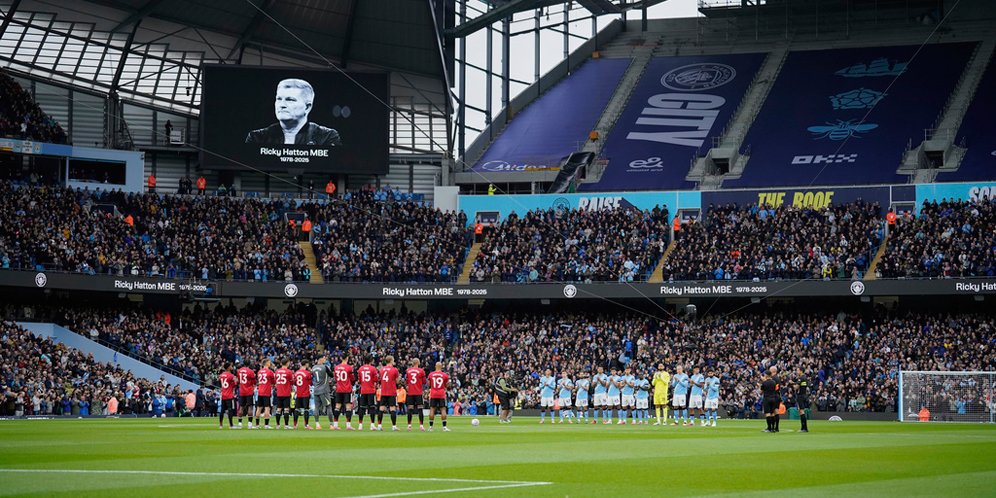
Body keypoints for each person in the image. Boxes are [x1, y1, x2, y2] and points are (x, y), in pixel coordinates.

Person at [245, 78, 342, 146]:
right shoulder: (257, 137)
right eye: (279, 99)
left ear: (307, 107)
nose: (282, 105)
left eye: (290, 100)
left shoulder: (327, 136)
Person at [333, 353, 355, 430]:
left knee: (337, 406)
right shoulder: (349, 368)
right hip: (347, 389)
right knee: (348, 407)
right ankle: (348, 425)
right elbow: (352, 379)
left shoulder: (336, 367)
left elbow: (335, 378)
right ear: (347, 358)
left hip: (339, 389)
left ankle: (335, 425)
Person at [378, 355, 401, 432]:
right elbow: (397, 381)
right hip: (391, 391)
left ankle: (379, 425)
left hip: (383, 391)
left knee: (381, 408)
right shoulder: (394, 370)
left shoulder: (381, 370)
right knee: (392, 409)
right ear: (391, 360)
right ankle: (394, 426)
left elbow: (380, 379)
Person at [356, 355, 378, 431]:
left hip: (363, 390)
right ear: (371, 360)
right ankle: (372, 425)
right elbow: (376, 379)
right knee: (372, 408)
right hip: (371, 390)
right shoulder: (373, 369)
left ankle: (360, 425)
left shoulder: (360, 369)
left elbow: (359, 381)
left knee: (361, 408)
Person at [427, 362, 450, 432]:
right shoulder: (444, 375)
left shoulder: (431, 375)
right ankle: (444, 427)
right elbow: (447, 385)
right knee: (443, 409)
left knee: (432, 409)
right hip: (441, 394)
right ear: (441, 367)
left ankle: (430, 427)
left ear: (435, 366)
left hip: (433, 393)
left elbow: (429, 385)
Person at [311, 355, 332, 430]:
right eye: (324, 358)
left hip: (316, 389)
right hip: (324, 390)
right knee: (329, 406)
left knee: (316, 407)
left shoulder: (313, 368)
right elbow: (332, 375)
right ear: (321, 359)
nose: (325, 359)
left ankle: (317, 424)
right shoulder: (325, 367)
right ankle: (331, 425)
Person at [405, 358, 427, 431]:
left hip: (410, 392)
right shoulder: (421, 371)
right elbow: (424, 382)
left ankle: (409, 425)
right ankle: (421, 425)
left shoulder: (408, 371)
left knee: (410, 409)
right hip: (418, 392)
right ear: (418, 362)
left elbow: (407, 381)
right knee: (420, 409)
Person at [254, 359, 275, 429]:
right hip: (266, 392)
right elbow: (273, 382)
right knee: (267, 408)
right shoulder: (270, 372)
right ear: (266, 363)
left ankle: (257, 425)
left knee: (259, 408)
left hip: (260, 391)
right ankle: (266, 425)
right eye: (269, 362)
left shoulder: (259, 372)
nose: (270, 363)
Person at [274, 360, 294, 429]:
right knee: (286, 409)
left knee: (278, 409)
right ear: (287, 363)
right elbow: (292, 382)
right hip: (286, 392)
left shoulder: (277, 371)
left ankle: (278, 425)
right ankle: (286, 425)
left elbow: (275, 381)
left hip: (279, 392)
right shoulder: (289, 371)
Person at [293, 361, 313, 429]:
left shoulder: (296, 373)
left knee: (297, 409)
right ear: (306, 364)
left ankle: (295, 425)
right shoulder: (307, 373)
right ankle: (306, 425)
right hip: (305, 393)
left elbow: (295, 383)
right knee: (306, 409)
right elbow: (310, 383)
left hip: (298, 393)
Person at [762, 366, 781, 433]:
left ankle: (771, 427)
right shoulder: (777, 378)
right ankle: (776, 427)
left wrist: (764, 381)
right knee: (775, 412)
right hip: (776, 395)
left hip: (773, 396)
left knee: (772, 412)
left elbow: (768, 387)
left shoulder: (772, 379)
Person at [236, 363, 256, 428]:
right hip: (249, 391)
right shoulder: (250, 371)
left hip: (242, 391)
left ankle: (240, 423)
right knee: (250, 407)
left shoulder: (239, 371)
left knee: (241, 407)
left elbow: (238, 380)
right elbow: (254, 382)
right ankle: (250, 424)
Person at [218, 364, 237, 429]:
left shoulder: (221, 375)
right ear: (228, 367)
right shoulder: (231, 376)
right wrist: (234, 382)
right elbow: (235, 384)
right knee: (230, 410)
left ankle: (220, 425)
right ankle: (231, 425)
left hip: (223, 394)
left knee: (222, 410)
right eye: (231, 366)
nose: (232, 367)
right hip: (229, 395)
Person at [795, 368, 811, 432]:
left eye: (797, 370)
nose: (797, 371)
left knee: (801, 411)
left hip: (800, 396)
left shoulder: (801, 378)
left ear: (801, 371)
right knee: (801, 410)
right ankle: (803, 428)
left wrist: (793, 384)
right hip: (804, 395)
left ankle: (804, 428)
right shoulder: (805, 377)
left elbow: (797, 387)